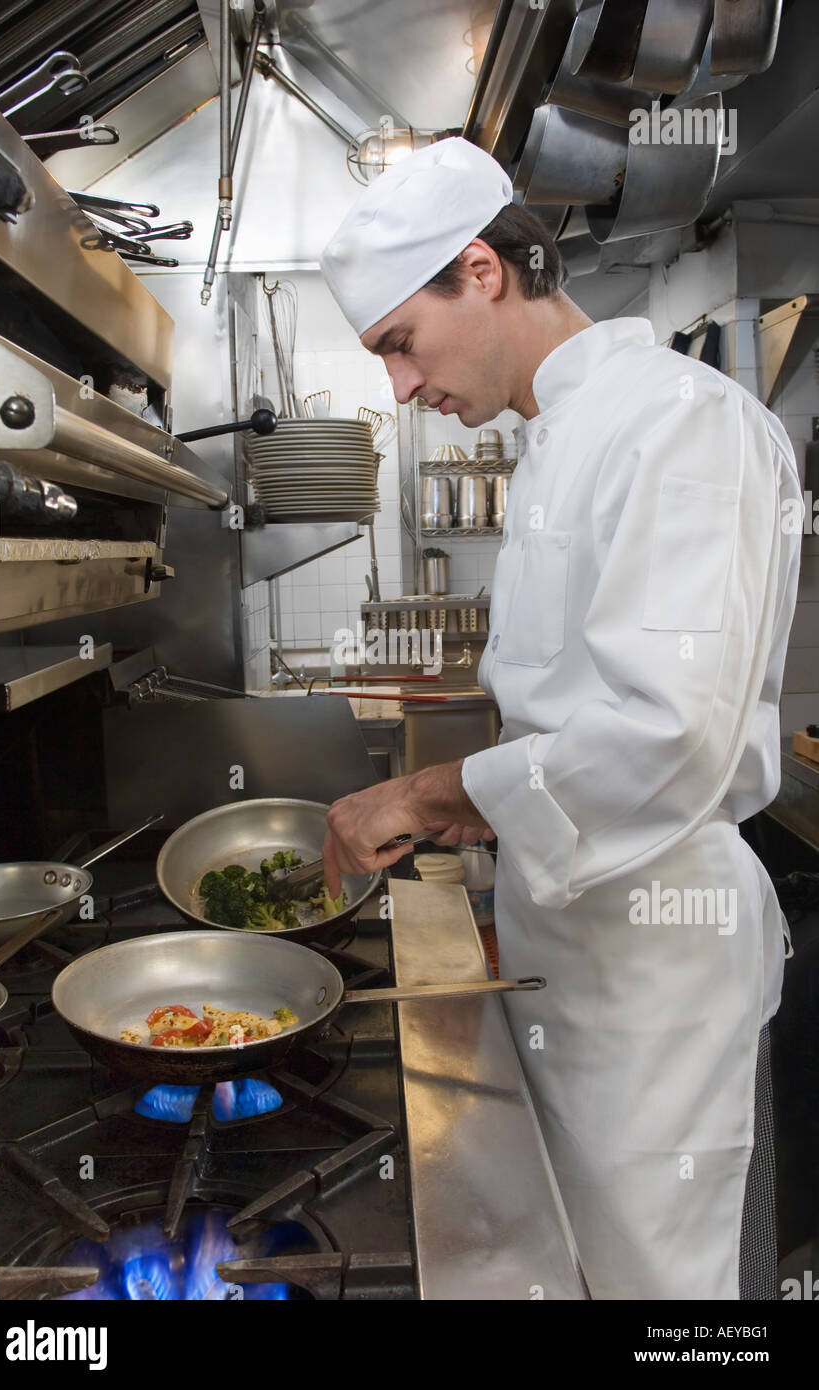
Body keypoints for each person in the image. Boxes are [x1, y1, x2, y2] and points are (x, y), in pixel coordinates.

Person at [318, 136, 803, 1300]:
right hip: (574, 969)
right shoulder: (554, 440)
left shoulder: (678, 424)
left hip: (658, 992)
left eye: (397, 342)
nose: (398, 385)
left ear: (480, 270)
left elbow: (666, 736)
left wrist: (425, 794)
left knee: (672, 1294)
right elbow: (567, 726)